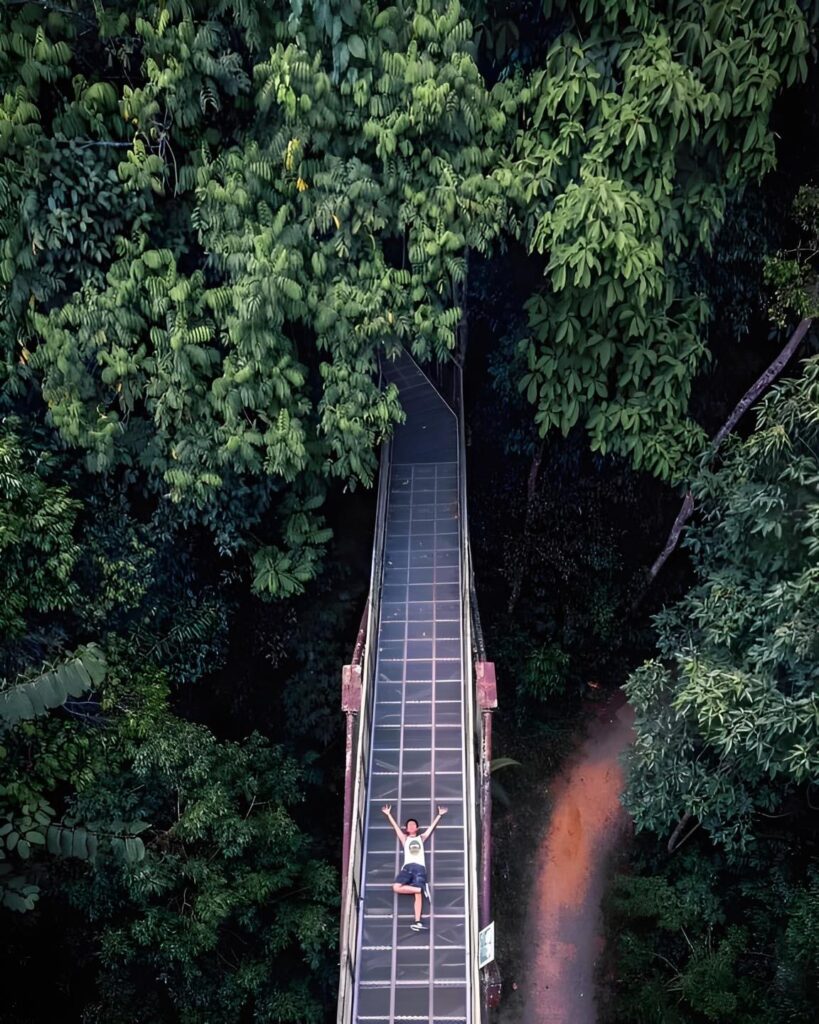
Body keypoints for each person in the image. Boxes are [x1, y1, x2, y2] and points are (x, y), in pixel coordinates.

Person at [382, 803, 448, 931]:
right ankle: (421, 889)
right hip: (407, 868)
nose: (411, 826)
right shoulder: (405, 838)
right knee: (396, 887)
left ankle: (417, 922)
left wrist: (439, 816)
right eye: (409, 825)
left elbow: (430, 829)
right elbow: (395, 827)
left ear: (417, 828)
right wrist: (389, 814)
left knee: (417, 897)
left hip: (419, 868)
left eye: (413, 824)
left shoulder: (420, 838)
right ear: (406, 829)